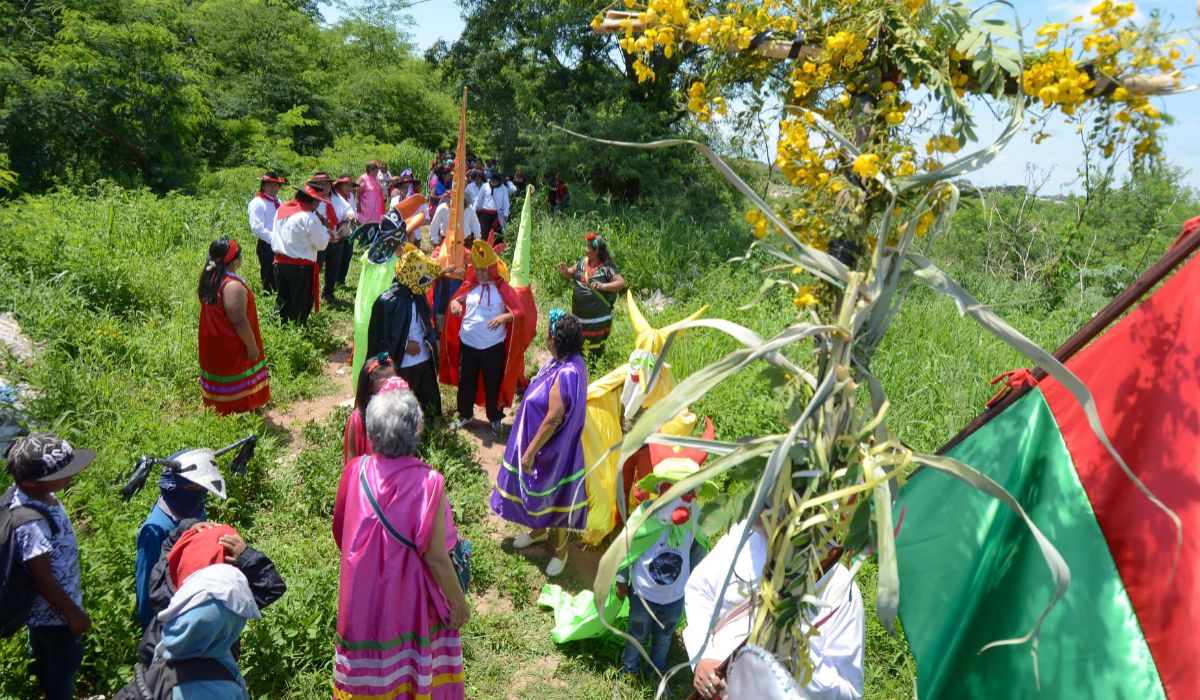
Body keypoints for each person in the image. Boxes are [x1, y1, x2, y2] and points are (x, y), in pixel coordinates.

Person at [333, 389, 468, 700]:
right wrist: (459, 604)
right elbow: (436, 556)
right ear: (416, 428)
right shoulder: (428, 483)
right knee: (410, 666)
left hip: (360, 600)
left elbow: (342, 534)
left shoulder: (355, 472)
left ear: (371, 430)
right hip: (409, 600)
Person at [683, 520, 864, 700]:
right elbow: (700, 590)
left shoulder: (840, 588)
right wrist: (703, 657)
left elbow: (848, 693)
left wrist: (794, 661)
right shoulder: (743, 534)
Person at [490, 311, 587, 576]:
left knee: (556, 499)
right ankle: (539, 531)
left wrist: (530, 452)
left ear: (558, 341)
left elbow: (554, 418)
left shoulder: (567, 372)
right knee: (547, 497)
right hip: (549, 446)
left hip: (553, 451)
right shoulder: (568, 361)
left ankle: (561, 551)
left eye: (549, 335)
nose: (545, 338)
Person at [5, 433, 96, 700]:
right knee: (65, 663)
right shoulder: (30, 525)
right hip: (55, 615)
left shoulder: (41, 494)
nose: (71, 476)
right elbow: (43, 579)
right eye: (62, 472)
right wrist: (74, 614)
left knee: (42, 650)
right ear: (31, 482)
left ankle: (39, 673)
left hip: (46, 612)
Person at [615, 459, 710, 676]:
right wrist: (621, 578)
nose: (680, 499)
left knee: (664, 636)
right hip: (643, 594)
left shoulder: (695, 515)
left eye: (687, 492)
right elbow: (627, 545)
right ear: (660, 490)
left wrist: (696, 585)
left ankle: (655, 672)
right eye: (672, 491)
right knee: (637, 633)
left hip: (674, 596)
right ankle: (629, 669)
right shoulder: (646, 515)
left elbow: (698, 548)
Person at [134, 450, 229, 629]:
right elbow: (146, 585)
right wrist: (152, 629)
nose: (200, 492)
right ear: (174, 486)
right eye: (193, 487)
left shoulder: (194, 508)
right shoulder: (156, 530)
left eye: (202, 487)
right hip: (169, 621)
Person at [444, 241, 525, 436]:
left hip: (492, 346)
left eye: (484, 270)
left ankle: (495, 417)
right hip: (469, 344)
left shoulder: (502, 288)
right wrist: (454, 304)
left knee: (493, 382)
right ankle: (465, 414)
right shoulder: (470, 285)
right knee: (466, 382)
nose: (480, 274)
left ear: (492, 268)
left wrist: (503, 317)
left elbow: (519, 313)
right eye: (477, 270)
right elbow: (457, 299)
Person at [366, 246, 443, 420]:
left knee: (429, 400)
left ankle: (432, 431)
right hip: (403, 365)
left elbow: (425, 324)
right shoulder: (387, 302)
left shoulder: (418, 296)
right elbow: (380, 338)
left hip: (424, 361)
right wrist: (405, 345)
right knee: (401, 405)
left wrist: (429, 342)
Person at [198, 238, 270, 412]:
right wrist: (251, 346)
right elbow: (238, 320)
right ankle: (238, 411)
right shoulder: (232, 286)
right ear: (235, 260)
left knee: (220, 373)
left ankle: (220, 408)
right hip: (230, 342)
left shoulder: (211, 278)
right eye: (240, 255)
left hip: (213, 338)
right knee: (236, 374)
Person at [558, 232, 626, 356]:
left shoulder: (607, 267)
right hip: (579, 317)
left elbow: (621, 283)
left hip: (597, 318)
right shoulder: (582, 262)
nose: (585, 249)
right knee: (579, 347)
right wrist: (565, 271)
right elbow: (571, 273)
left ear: (596, 251)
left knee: (594, 352)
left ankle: (595, 365)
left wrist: (603, 286)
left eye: (588, 247)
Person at [272, 186, 330, 323]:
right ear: (313, 201)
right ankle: (297, 333)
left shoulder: (282, 210)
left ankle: (281, 329)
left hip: (279, 264)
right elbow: (321, 244)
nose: (318, 205)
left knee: (283, 299)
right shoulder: (309, 217)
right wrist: (325, 228)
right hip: (300, 268)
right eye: (318, 202)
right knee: (300, 303)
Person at [343, 354, 398, 464]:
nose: (391, 386)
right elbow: (351, 460)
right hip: (367, 478)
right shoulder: (357, 419)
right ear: (370, 387)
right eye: (384, 383)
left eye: (394, 380)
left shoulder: (399, 412)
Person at [247, 171, 285, 294]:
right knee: (268, 271)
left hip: (280, 242)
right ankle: (267, 295)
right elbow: (257, 227)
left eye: (276, 185)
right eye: (270, 185)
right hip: (267, 244)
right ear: (263, 186)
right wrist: (274, 238)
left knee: (279, 270)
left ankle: (277, 292)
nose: (273, 188)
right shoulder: (257, 203)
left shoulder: (278, 202)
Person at [322, 175, 357, 303]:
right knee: (317, 267)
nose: (324, 186)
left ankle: (328, 293)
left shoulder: (337, 198)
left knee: (333, 267)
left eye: (326, 184)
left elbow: (348, 208)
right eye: (321, 184)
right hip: (319, 239)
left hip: (336, 238)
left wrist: (350, 215)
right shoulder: (314, 199)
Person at [474, 171, 510, 241]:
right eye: (492, 181)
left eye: (495, 181)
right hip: (485, 214)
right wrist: (473, 209)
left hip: (497, 215)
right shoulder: (485, 186)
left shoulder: (503, 189)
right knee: (484, 234)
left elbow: (506, 202)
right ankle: (484, 251)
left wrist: (506, 213)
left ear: (499, 181)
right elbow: (478, 199)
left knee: (497, 236)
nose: (494, 183)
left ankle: (496, 251)